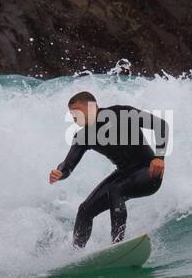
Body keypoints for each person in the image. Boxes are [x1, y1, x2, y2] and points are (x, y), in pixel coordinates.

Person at [48, 91, 168, 247]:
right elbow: (68, 165)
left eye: (76, 112)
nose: (74, 117)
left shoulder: (120, 113)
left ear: (92, 106)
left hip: (149, 172)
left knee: (115, 189)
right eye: (71, 114)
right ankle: (76, 252)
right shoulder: (83, 136)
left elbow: (161, 125)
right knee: (85, 210)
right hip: (124, 174)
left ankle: (117, 244)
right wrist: (60, 172)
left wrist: (159, 157)